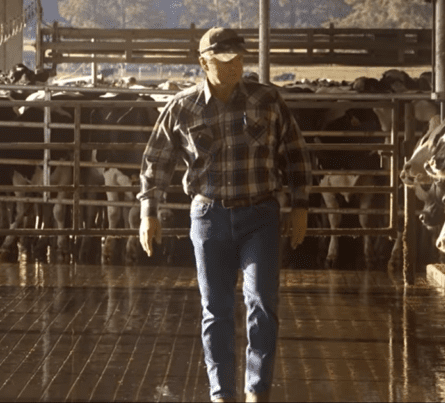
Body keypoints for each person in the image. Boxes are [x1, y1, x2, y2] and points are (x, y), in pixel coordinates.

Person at [137, 27, 312, 403]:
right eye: (225, 60)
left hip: (260, 213)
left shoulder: (267, 99)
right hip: (208, 215)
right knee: (216, 308)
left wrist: (300, 205)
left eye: (239, 59)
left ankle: (257, 391)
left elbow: (295, 152)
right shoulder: (182, 106)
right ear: (204, 63)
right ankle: (221, 394)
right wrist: (148, 212)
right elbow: (155, 162)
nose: (235, 66)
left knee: (262, 300)